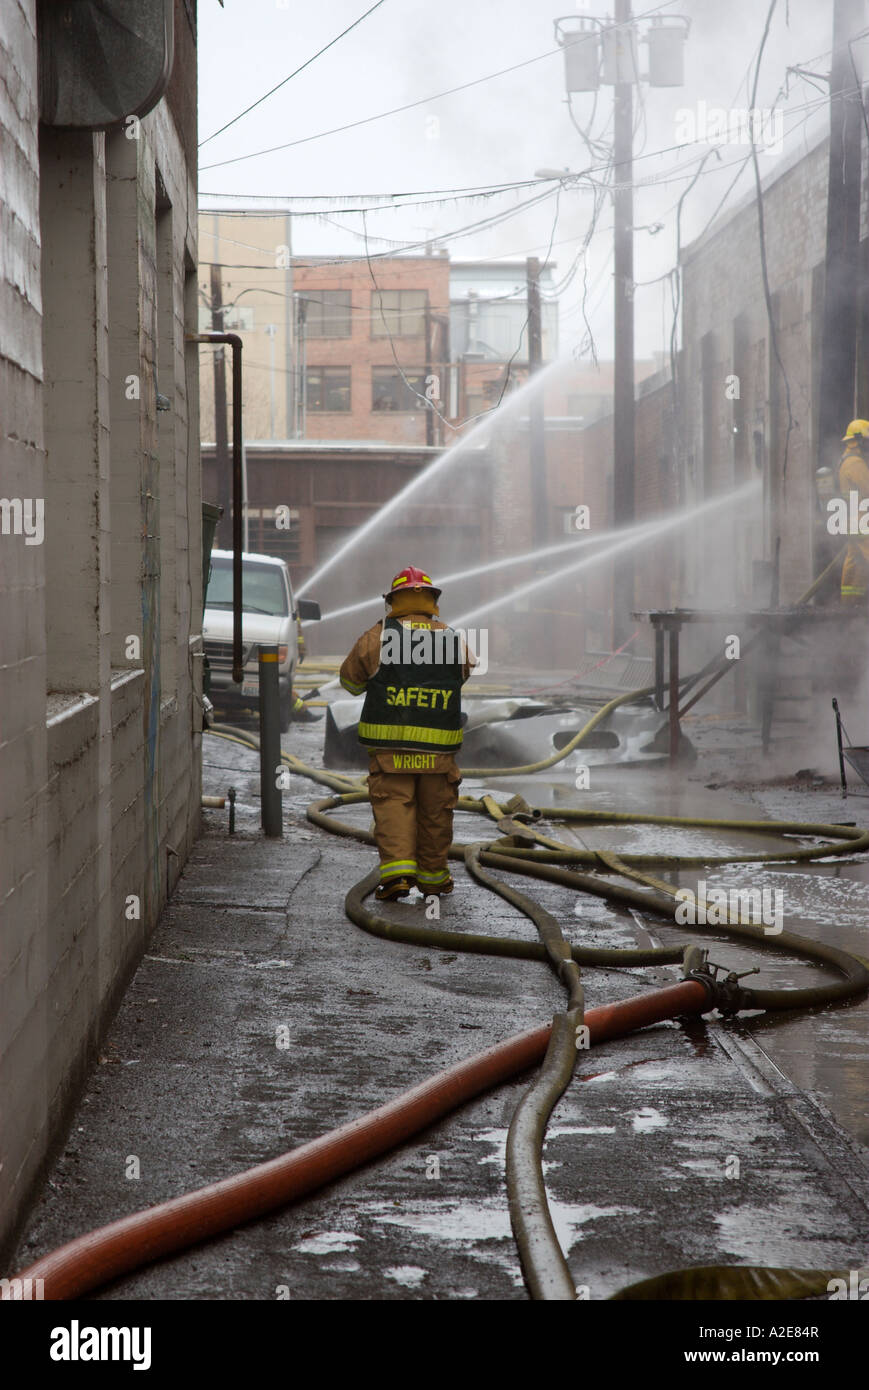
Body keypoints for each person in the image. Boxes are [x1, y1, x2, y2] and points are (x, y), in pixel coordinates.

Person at [339, 566, 475, 901]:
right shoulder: (451, 637)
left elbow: (350, 682)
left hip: (391, 751)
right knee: (435, 813)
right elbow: (463, 674)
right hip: (438, 753)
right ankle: (434, 880)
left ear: (393, 601)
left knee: (395, 808)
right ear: (432, 599)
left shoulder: (377, 636)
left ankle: (398, 877)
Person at [838, 419, 869, 604]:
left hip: (852, 521)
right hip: (862, 521)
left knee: (854, 563)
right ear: (857, 441)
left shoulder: (846, 460)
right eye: (867, 441)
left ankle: (848, 606)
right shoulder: (855, 463)